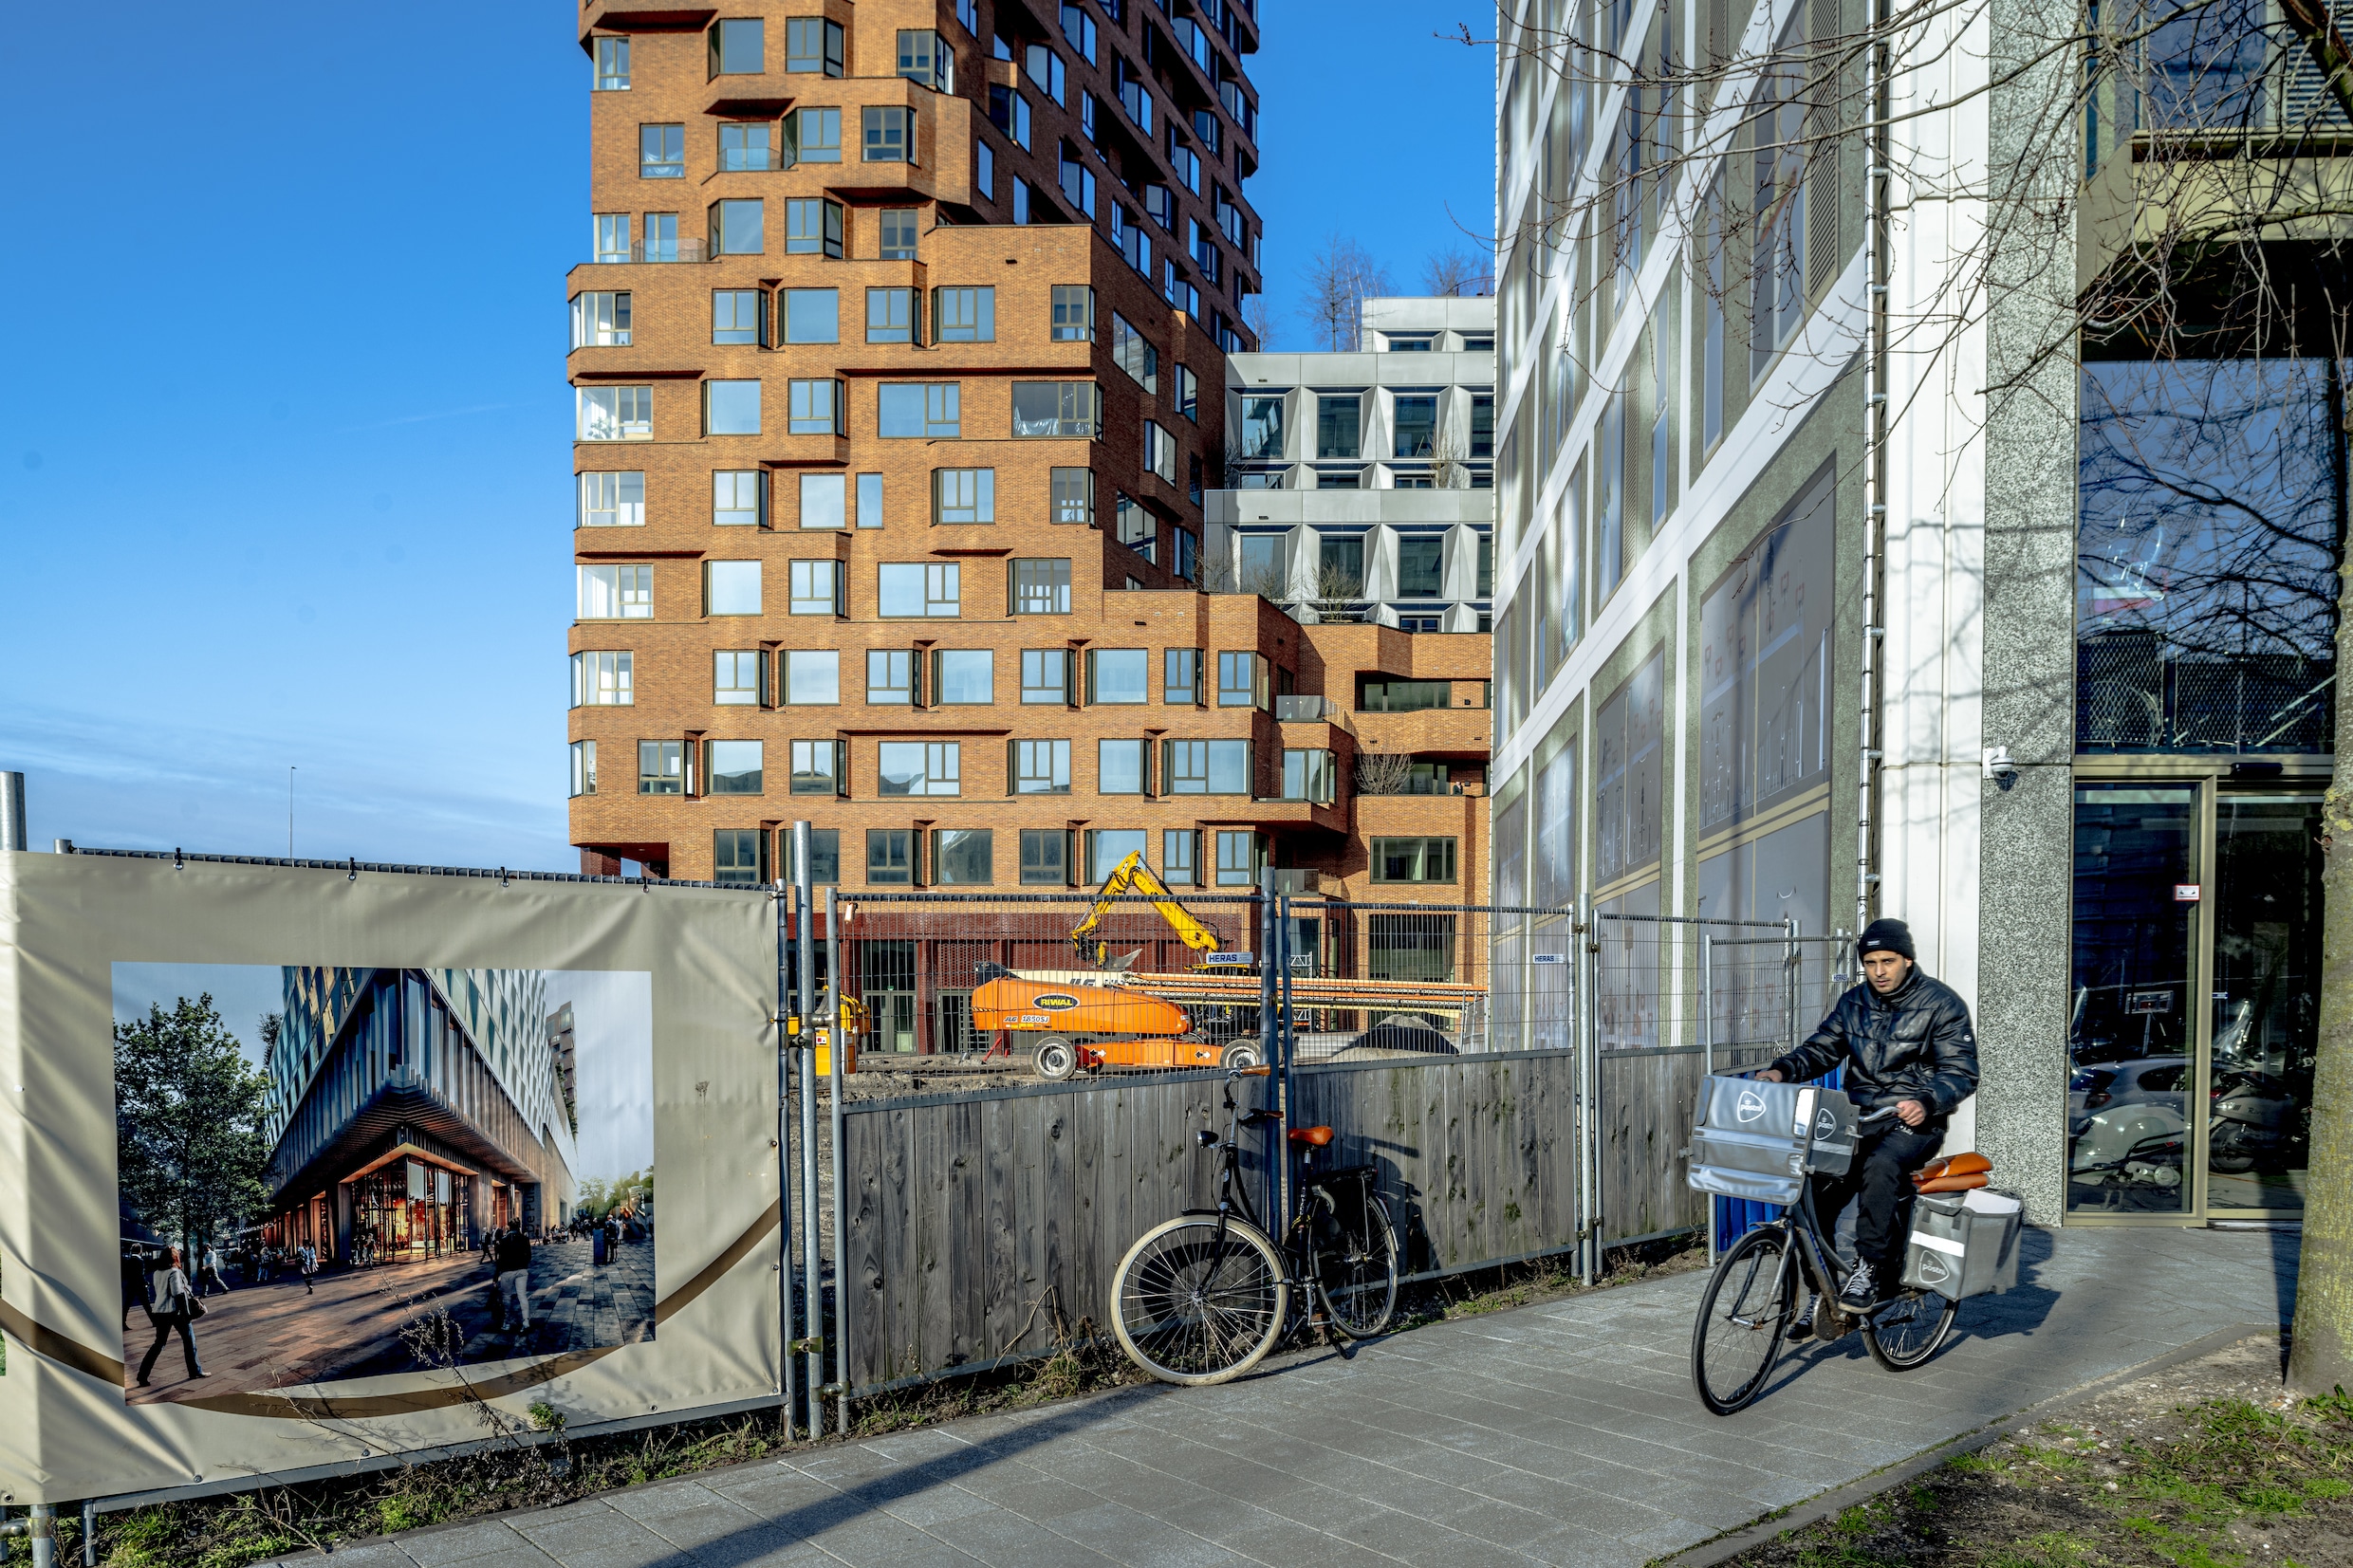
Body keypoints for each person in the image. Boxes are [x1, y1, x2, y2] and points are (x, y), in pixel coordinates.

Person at [1759, 917, 1979, 1319]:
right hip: (1858, 1120)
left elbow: (1961, 1072)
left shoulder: (1941, 1004)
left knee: (1880, 1166)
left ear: (1907, 960)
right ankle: (1819, 1292)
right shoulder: (1854, 1001)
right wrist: (1782, 1070)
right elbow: (1823, 1047)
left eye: (1888, 961)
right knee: (1814, 1189)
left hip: (1913, 1124)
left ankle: (1871, 1268)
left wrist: (1927, 1102)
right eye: (1871, 962)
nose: (1879, 971)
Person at [137, 1246, 206, 1386]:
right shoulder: (174, 1272)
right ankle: (195, 1371)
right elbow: (177, 1293)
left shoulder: (157, 1272)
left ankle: (142, 1375)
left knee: (159, 1344)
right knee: (189, 1341)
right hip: (175, 1312)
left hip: (159, 1311)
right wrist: (186, 1313)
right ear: (175, 1258)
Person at [495, 1225, 533, 1331]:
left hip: (507, 1271)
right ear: (519, 1228)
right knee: (522, 1296)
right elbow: (529, 1256)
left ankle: (506, 1323)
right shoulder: (524, 1239)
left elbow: (500, 1260)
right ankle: (526, 1321)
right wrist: (523, 1263)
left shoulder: (504, 1240)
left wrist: (495, 1277)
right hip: (521, 1270)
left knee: (506, 1297)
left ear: (509, 1228)